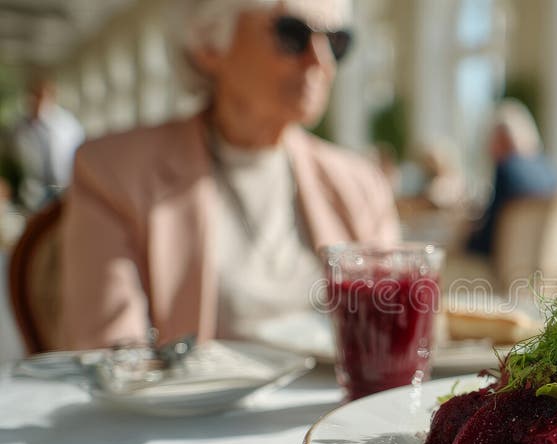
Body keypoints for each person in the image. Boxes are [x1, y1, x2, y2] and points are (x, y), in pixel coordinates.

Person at [60, 0, 399, 350]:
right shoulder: (113, 172)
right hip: (196, 389)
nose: (321, 60)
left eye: (337, 41)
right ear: (209, 45)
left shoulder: (361, 184)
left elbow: (392, 334)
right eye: (293, 35)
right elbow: (112, 353)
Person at [466, 99, 557, 256]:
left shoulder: (507, 169)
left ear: (501, 140)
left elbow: (491, 232)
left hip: (503, 259)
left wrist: (467, 232)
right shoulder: (552, 170)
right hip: (548, 257)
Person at [2, 74, 84, 213]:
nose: (37, 101)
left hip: (64, 187)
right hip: (34, 191)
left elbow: (80, 151)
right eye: (34, 97)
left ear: (52, 98)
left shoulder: (67, 124)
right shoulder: (18, 128)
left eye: (42, 97)